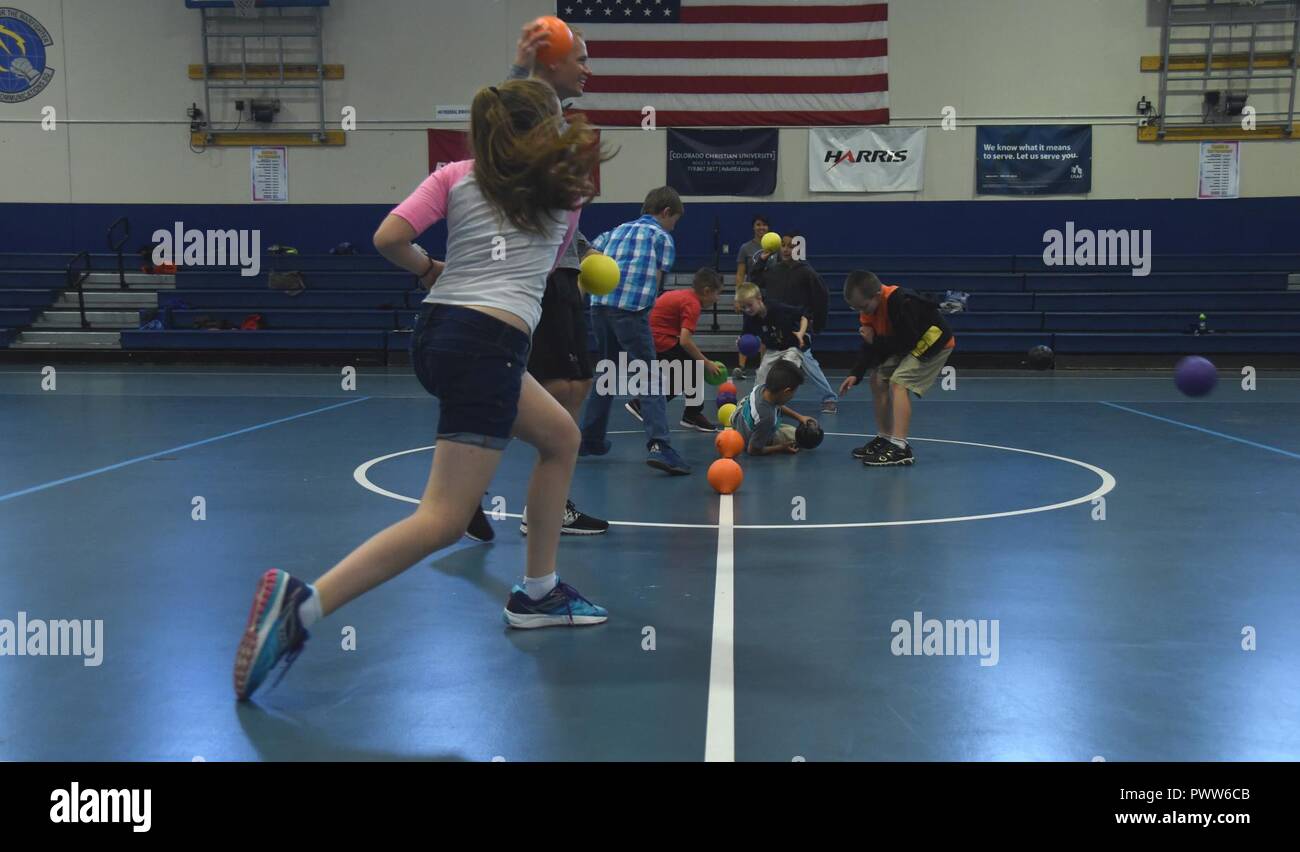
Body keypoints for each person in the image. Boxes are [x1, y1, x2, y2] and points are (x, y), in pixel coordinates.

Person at [233, 80, 610, 701]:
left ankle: (539, 592)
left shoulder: (455, 174)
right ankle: (300, 609)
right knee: (440, 519)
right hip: (490, 342)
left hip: (437, 330)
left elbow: (388, 239)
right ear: (543, 130)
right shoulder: (564, 192)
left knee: (559, 437)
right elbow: (551, 259)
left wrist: (431, 268)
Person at [498, 19, 606, 536]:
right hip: (539, 274)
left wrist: (585, 250)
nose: (588, 69)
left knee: (574, 381)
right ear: (551, 61)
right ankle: (543, 505)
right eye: (580, 58)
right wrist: (521, 66)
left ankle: (482, 491)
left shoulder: (562, 122)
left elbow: (562, 210)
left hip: (561, 268)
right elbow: (505, 119)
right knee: (558, 386)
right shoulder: (533, 115)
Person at [577, 186, 691, 475]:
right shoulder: (659, 236)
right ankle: (660, 446)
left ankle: (589, 439)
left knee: (607, 372)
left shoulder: (614, 231)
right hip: (631, 310)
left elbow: (588, 255)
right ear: (666, 213)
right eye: (675, 220)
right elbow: (657, 276)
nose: (674, 226)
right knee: (649, 375)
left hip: (599, 307)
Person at [838, 270, 956, 467]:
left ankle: (900, 447)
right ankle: (885, 438)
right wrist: (856, 373)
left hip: (934, 340)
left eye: (865, 307)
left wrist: (875, 340)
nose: (863, 312)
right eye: (857, 309)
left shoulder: (901, 302)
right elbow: (871, 345)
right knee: (877, 378)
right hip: (906, 342)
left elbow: (905, 343)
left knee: (899, 382)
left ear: (876, 295)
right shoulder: (868, 310)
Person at [748, 232, 837, 413]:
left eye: (791, 246)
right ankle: (758, 398)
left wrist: (817, 321)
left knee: (808, 363)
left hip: (798, 327)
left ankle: (829, 397)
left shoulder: (806, 271)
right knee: (767, 365)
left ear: (798, 249)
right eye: (784, 246)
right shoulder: (773, 270)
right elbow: (754, 280)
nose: (787, 250)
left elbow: (821, 295)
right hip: (777, 328)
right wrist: (762, 260)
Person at [633, 267, 725, 432]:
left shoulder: (683, 295)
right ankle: (642, 404)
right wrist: (707, 363)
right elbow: (685, 341)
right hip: (660, 341)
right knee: (684, 377)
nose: (717, 299)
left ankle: (692, 414)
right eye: (717, 294)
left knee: (691, 369)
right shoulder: (693, 304)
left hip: (653, 337)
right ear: (706, 291)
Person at [730, 360, 816, 456]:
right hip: (749, 441)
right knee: (795, 438)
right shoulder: (767, 417)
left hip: (738, 422)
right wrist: (781, 448)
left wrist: (799, 417)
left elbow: (777, 405)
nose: (793, 396)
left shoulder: (762, 388)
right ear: (786, 392)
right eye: (793, 392)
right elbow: (753, 450)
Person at [731, 215, 770, 381]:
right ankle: (741, 367)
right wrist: (737, 297)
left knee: (767, 332)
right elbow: (740, 274)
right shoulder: (746, 248)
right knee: (747, 331)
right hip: (750, 297)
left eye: (764, 225)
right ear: (753, 227)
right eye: (758, 225)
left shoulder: (775, 247)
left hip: (769, 296)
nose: (761, 228)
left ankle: (764, 367)